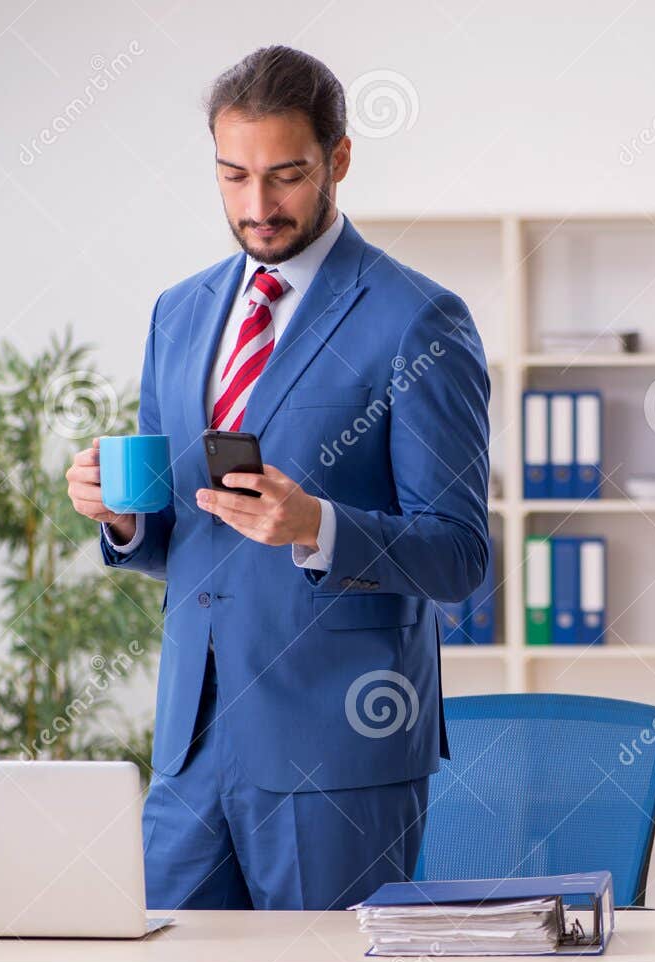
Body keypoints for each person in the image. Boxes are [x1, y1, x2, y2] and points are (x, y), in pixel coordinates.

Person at [65, 45, 490, 912]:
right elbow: (187, 541)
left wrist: (316, 527)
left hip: (338, 750)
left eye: (286, 176)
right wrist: (120, 521)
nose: (257, 206)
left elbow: (459, 557)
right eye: (232, 177)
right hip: (191, 748)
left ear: (338, 158)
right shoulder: (179, 311)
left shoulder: (418, 321)